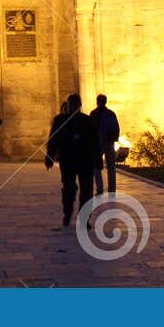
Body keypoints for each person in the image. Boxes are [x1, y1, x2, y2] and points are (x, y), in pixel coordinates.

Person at [46, 92, 101, 227]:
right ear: (68, 106)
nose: (73, 107)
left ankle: (84, 218)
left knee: (87, 190)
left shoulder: (87, 121)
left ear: (80, 106)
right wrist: (49, 156)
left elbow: (95, 141)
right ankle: (68, 211)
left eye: (76, 105)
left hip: (85, 161)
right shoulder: (60, 120)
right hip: (68, 160)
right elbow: (53, 140)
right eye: (71, 105)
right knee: (69, 188)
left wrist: (98, 159)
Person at [91, 93, 120, 195]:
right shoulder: (110, 114)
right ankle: (111, 189)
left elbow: (91, 130)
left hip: (100, 144)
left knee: (97, 167)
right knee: (110, 167)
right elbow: (116, 127)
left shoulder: (94, 113)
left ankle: (100, 188)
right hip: (108, 143)